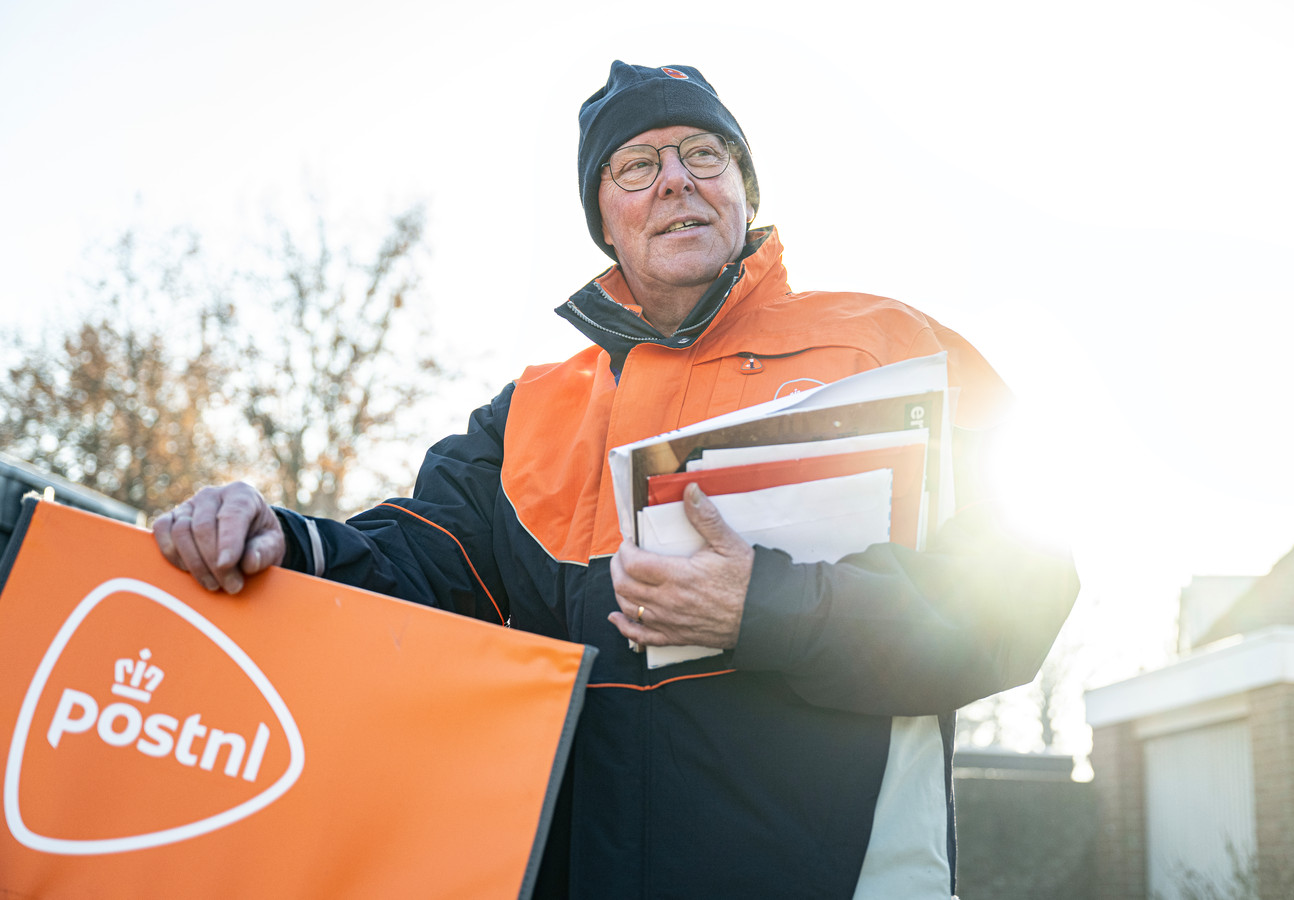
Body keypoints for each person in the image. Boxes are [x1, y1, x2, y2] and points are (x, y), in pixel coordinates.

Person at [155, 61, 1079, 899]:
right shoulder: (527, 413)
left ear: (744, 191)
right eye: (636, 166)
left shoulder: (898, 347)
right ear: (605, 219)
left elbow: (1017, 598)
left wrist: (765, 606)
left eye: (703, 154)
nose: (676, 178)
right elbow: (418, 560)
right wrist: (281, 536)